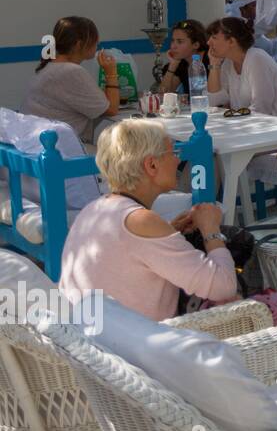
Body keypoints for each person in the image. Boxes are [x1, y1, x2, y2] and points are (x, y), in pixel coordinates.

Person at [59, 119, 236, 322]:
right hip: (138, 347)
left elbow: (127, 257)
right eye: (173, 153)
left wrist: (169, 230)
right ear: (152, 165)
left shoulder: (94, 209)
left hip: (93, 338)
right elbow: (224, 287)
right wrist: (211, 229)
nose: (178, 161)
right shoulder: (142, 222)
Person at [22, 16, 120, 143]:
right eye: (96, 42)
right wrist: (111, 73)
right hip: (61, 151)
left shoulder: (49, 66)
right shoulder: (71, 72)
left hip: (35, 145)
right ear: (79, 44)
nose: (98, 45)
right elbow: (111, 109)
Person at [205, 17, 277, 118]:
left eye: (214, 38)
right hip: (247, 124)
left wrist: (232, 120)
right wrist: (214, 64)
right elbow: (215, 101)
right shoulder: (228, 62)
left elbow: (261, 107)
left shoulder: (257, 58)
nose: (208, 42)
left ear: (231, 41)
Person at [158, 19, 208, 96]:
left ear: (196, 45)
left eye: (180, 41)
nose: (173, 46)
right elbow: (163, 95)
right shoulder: (181, 62)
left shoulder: (211, 59)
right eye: (172, 41)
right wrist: (173, 65)